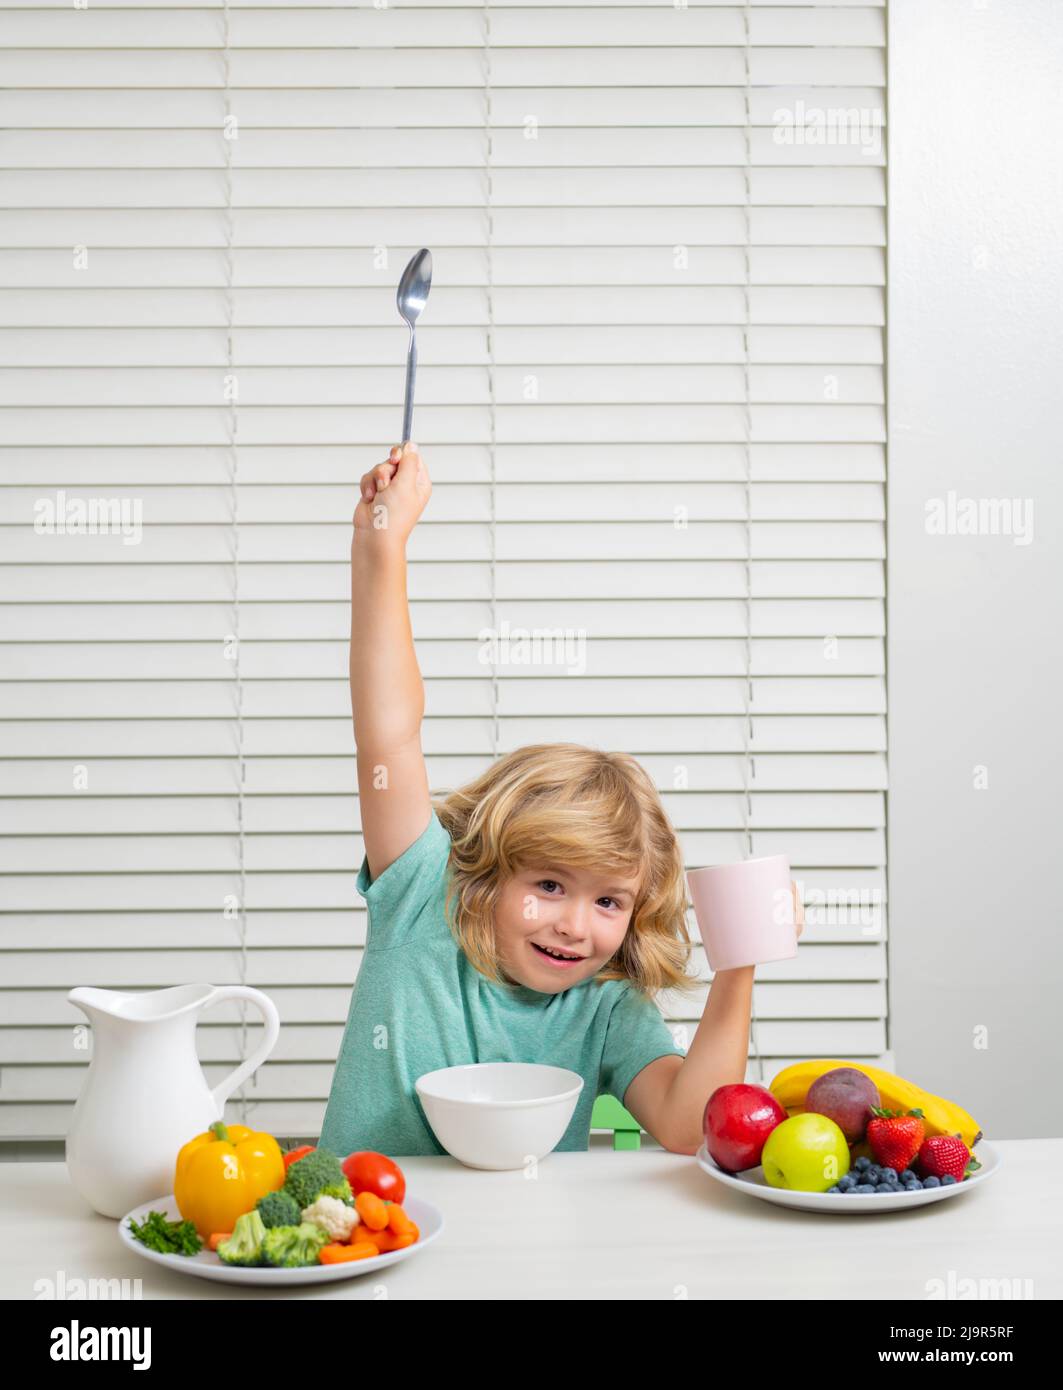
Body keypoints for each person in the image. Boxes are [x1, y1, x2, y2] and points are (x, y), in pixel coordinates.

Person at [318, 443, 803, 1157]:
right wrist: (381, 548)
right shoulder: (423, 897)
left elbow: (681, 1125)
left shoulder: (604, 1004)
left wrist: (739, 965)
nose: (576, 926)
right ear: (486, 874)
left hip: (523, 1255)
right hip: (367, 1242)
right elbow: (389, 738)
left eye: (609, 902)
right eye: (548, 885)